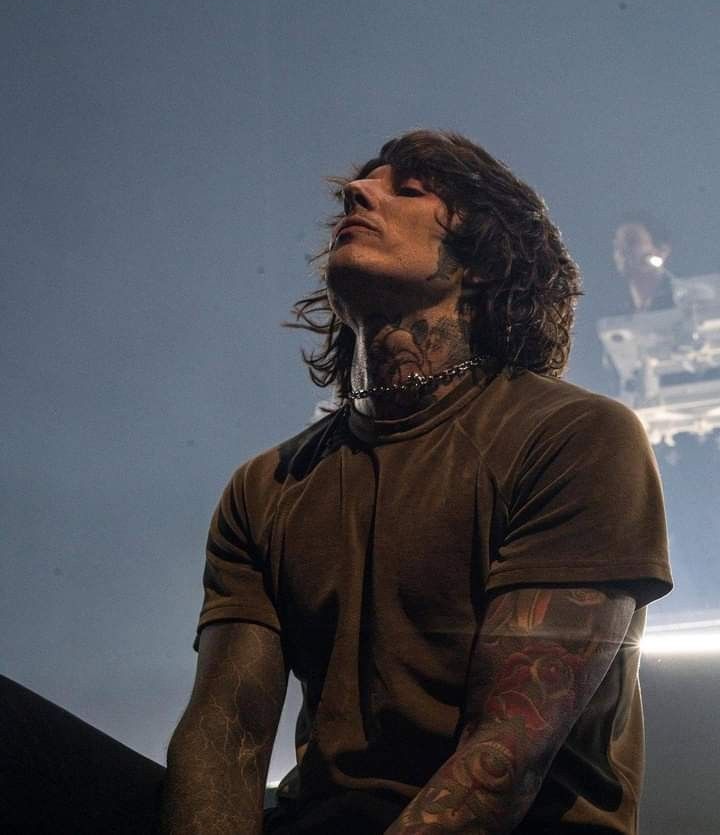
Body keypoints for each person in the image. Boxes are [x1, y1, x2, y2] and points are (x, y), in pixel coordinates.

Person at [0, 130, 672, 835]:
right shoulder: (269, 484)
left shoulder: (576, 436)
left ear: (481, 257)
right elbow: (225, 733)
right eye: (361, 184)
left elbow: (508, 750)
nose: (357, 193)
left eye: (406, 189)